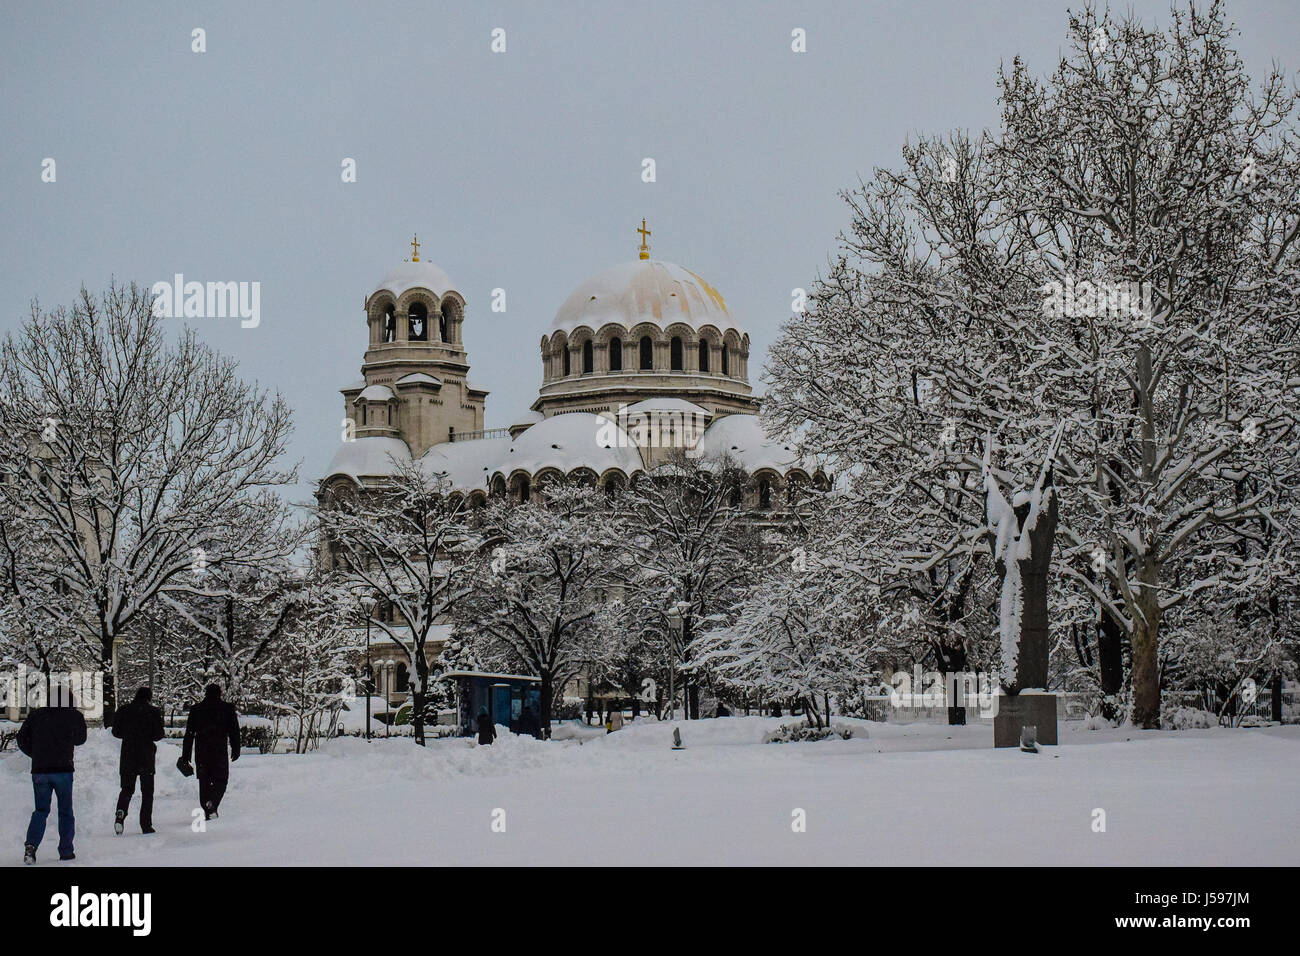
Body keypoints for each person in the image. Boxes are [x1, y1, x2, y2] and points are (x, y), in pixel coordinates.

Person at [16, 686, 87, 864]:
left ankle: (31, 846)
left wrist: (36, 754)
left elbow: (21, 739)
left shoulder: (36, 715)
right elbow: (81, 739)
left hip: (40, 770)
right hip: (63, 769)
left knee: (40, 810)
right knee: (65, 812)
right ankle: (66, 851)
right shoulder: (73, 715)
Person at [181, 684, 240, 820]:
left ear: (205, 694)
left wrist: (186, 756)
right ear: (219, 693)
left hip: (202, 751)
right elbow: (234, 731)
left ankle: (207, 807)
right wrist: (236, 748)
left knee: (204, 780)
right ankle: (212, 803)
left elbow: (189, 734)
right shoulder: (227, 709)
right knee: (221, 779)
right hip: (219, 750)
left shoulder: (196, 710)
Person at [112, 687, 165, 835]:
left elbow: (115, 732)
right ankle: (146, 824)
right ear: (149, 697)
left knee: (127, 789)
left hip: (128, 755)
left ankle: (120, 814)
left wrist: (129, 734)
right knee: (147, 792)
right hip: (146, 756)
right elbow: (159, 734)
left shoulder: (124, 710)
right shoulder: (153, 712)